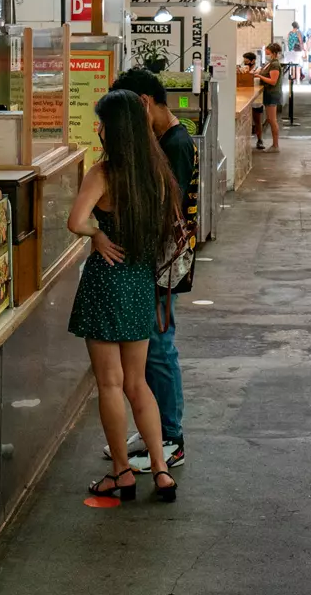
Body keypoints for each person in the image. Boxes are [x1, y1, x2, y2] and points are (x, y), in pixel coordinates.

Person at [66, 90, 183, 503]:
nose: (97, 127)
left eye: (100, 121)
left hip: (106, 282)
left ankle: (121, 472)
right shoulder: (157, 174)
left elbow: (75, 221)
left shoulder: (102, 174)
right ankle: (161, 469)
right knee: (139, 383)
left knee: (110, 384)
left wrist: (97, 234)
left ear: (113, 129)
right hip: (139, 283)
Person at [102, 67, 197, 472]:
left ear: (142, 103)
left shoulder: (173, 145)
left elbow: (161, 209)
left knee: (159, 348)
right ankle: (156, 431)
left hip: (160, 265)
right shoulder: (163, 140)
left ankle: (171, 437)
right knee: (153, 347)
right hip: (152, 262)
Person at [257, 43, 285, 148]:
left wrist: (259, 76)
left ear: (272, 51)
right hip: (268, 93)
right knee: (270, 119)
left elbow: (273, 81)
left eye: (267, 50)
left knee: (272, 120)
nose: (265, 52)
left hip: (273, 93)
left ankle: (275, 145)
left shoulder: (275, 64)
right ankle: (274, 144)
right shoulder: (270, 63)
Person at [240, 51, 263, 146]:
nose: (245, 63)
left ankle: (260, 140)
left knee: (257, 120)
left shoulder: (259, 69)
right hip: (245, 97)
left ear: (253, 61)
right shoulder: (243, 69)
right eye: (244, 61)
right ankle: (246, 141)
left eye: (247, 61)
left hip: (257, 98)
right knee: (246, 120)